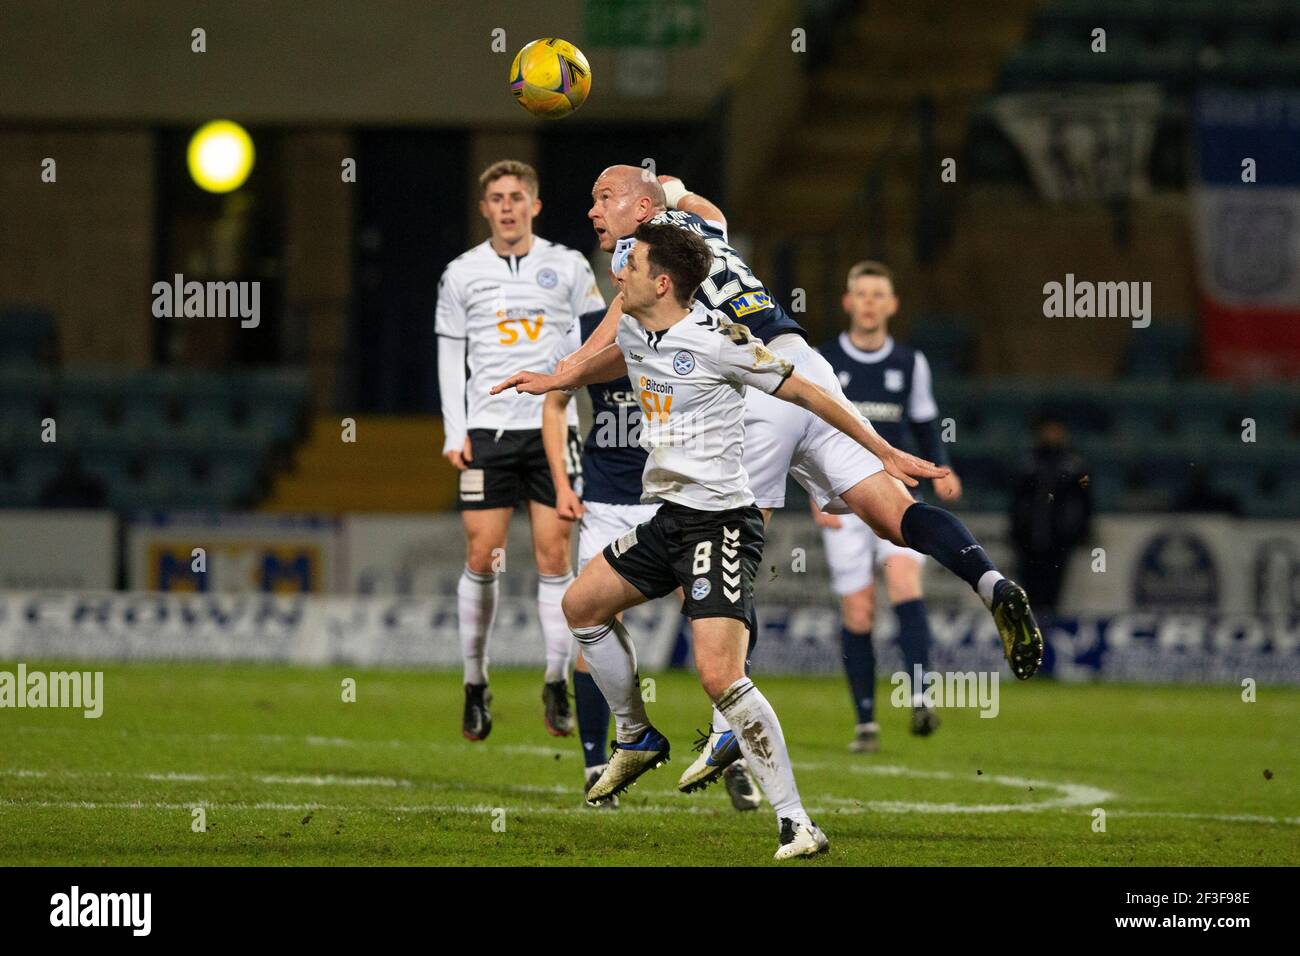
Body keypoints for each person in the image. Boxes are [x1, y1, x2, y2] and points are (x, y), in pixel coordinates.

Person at [555, 166, 1044, 789]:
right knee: (893, 513)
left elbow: (611, 344)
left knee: (733, 538)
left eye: (605, 198)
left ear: (642, 206)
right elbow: (701, 203)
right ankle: (990, 581)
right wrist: (674, 188)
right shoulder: (703, 226)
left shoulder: (644, 256)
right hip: (807, 365)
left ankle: (728, 717)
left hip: (753, 384)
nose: (594, 211)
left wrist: (559, 373)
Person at [494, 223, 949, 859]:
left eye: (632, 263)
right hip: (670, 519)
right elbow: (611, 355)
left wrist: (883, 450)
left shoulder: (719, 341)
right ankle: (637, 737)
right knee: (581, 605)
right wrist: (558, 378)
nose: (616, 271)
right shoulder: (632, 324)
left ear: (663, 282)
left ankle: (796, 821)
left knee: (718, 675)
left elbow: (808, 391)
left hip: (722, 523)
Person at [541, 309, 762, 811]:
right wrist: (562, 483)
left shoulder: (696, 330)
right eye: (622, 261)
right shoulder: (588, 329)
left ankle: (735, 751)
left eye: (633, 259)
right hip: (605, 500)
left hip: (675, 500)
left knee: (723, 618)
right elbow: (554, 403)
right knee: (590, 620)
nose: (624, 272)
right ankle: (598, 763)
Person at [435, 160, 605, 741]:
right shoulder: (461, 274)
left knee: (555, 558)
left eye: (517, 196)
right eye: (497, 198)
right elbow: (449, 354)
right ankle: (474, 681)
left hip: (553, 428)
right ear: (484, 208)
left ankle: (555, 679)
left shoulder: (570, 266)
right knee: (483, 555)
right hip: (487, 431)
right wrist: (454, 430)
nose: (507, 206)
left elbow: (600, 341)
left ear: (534, 204)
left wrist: (589, 410)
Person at [811, 260, 959, 752]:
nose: (870, 303)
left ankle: (919, 695)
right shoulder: (823, 361)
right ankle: (866, 723)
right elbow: (804, 432)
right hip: (842, 499)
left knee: (903, 582)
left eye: (879, 295)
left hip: (894, 495)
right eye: (862, 294)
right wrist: (814, 493)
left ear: (892, 305)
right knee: (858, 610)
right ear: (848, 303)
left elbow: (924, 423)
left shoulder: (909, 363)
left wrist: (942, 468)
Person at [1009, 412, 1092, 616]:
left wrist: (1080, 529)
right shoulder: (1027, 463)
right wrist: (1016, 528)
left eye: (1055, 430)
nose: (1051, 435)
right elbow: (1016, 498)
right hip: (1028, 537)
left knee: (1054, 591)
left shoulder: (1075, 465)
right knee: (1027, 591)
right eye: (1047, 430)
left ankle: (1049, 633)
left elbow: (1086, 497)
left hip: (1060, 537)